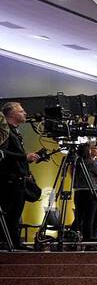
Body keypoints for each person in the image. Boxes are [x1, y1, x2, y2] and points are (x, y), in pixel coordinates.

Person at [0, 101, 38, 247]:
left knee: (16, 214)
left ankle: (14, 243)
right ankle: (9, 243)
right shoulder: (5, 131)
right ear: (11, 114)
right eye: (21, 111)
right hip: (9, 180)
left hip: (19, 179)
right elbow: (3, 153)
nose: (25, 113)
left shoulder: (15, 131)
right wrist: (24, 157)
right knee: (10, 214)